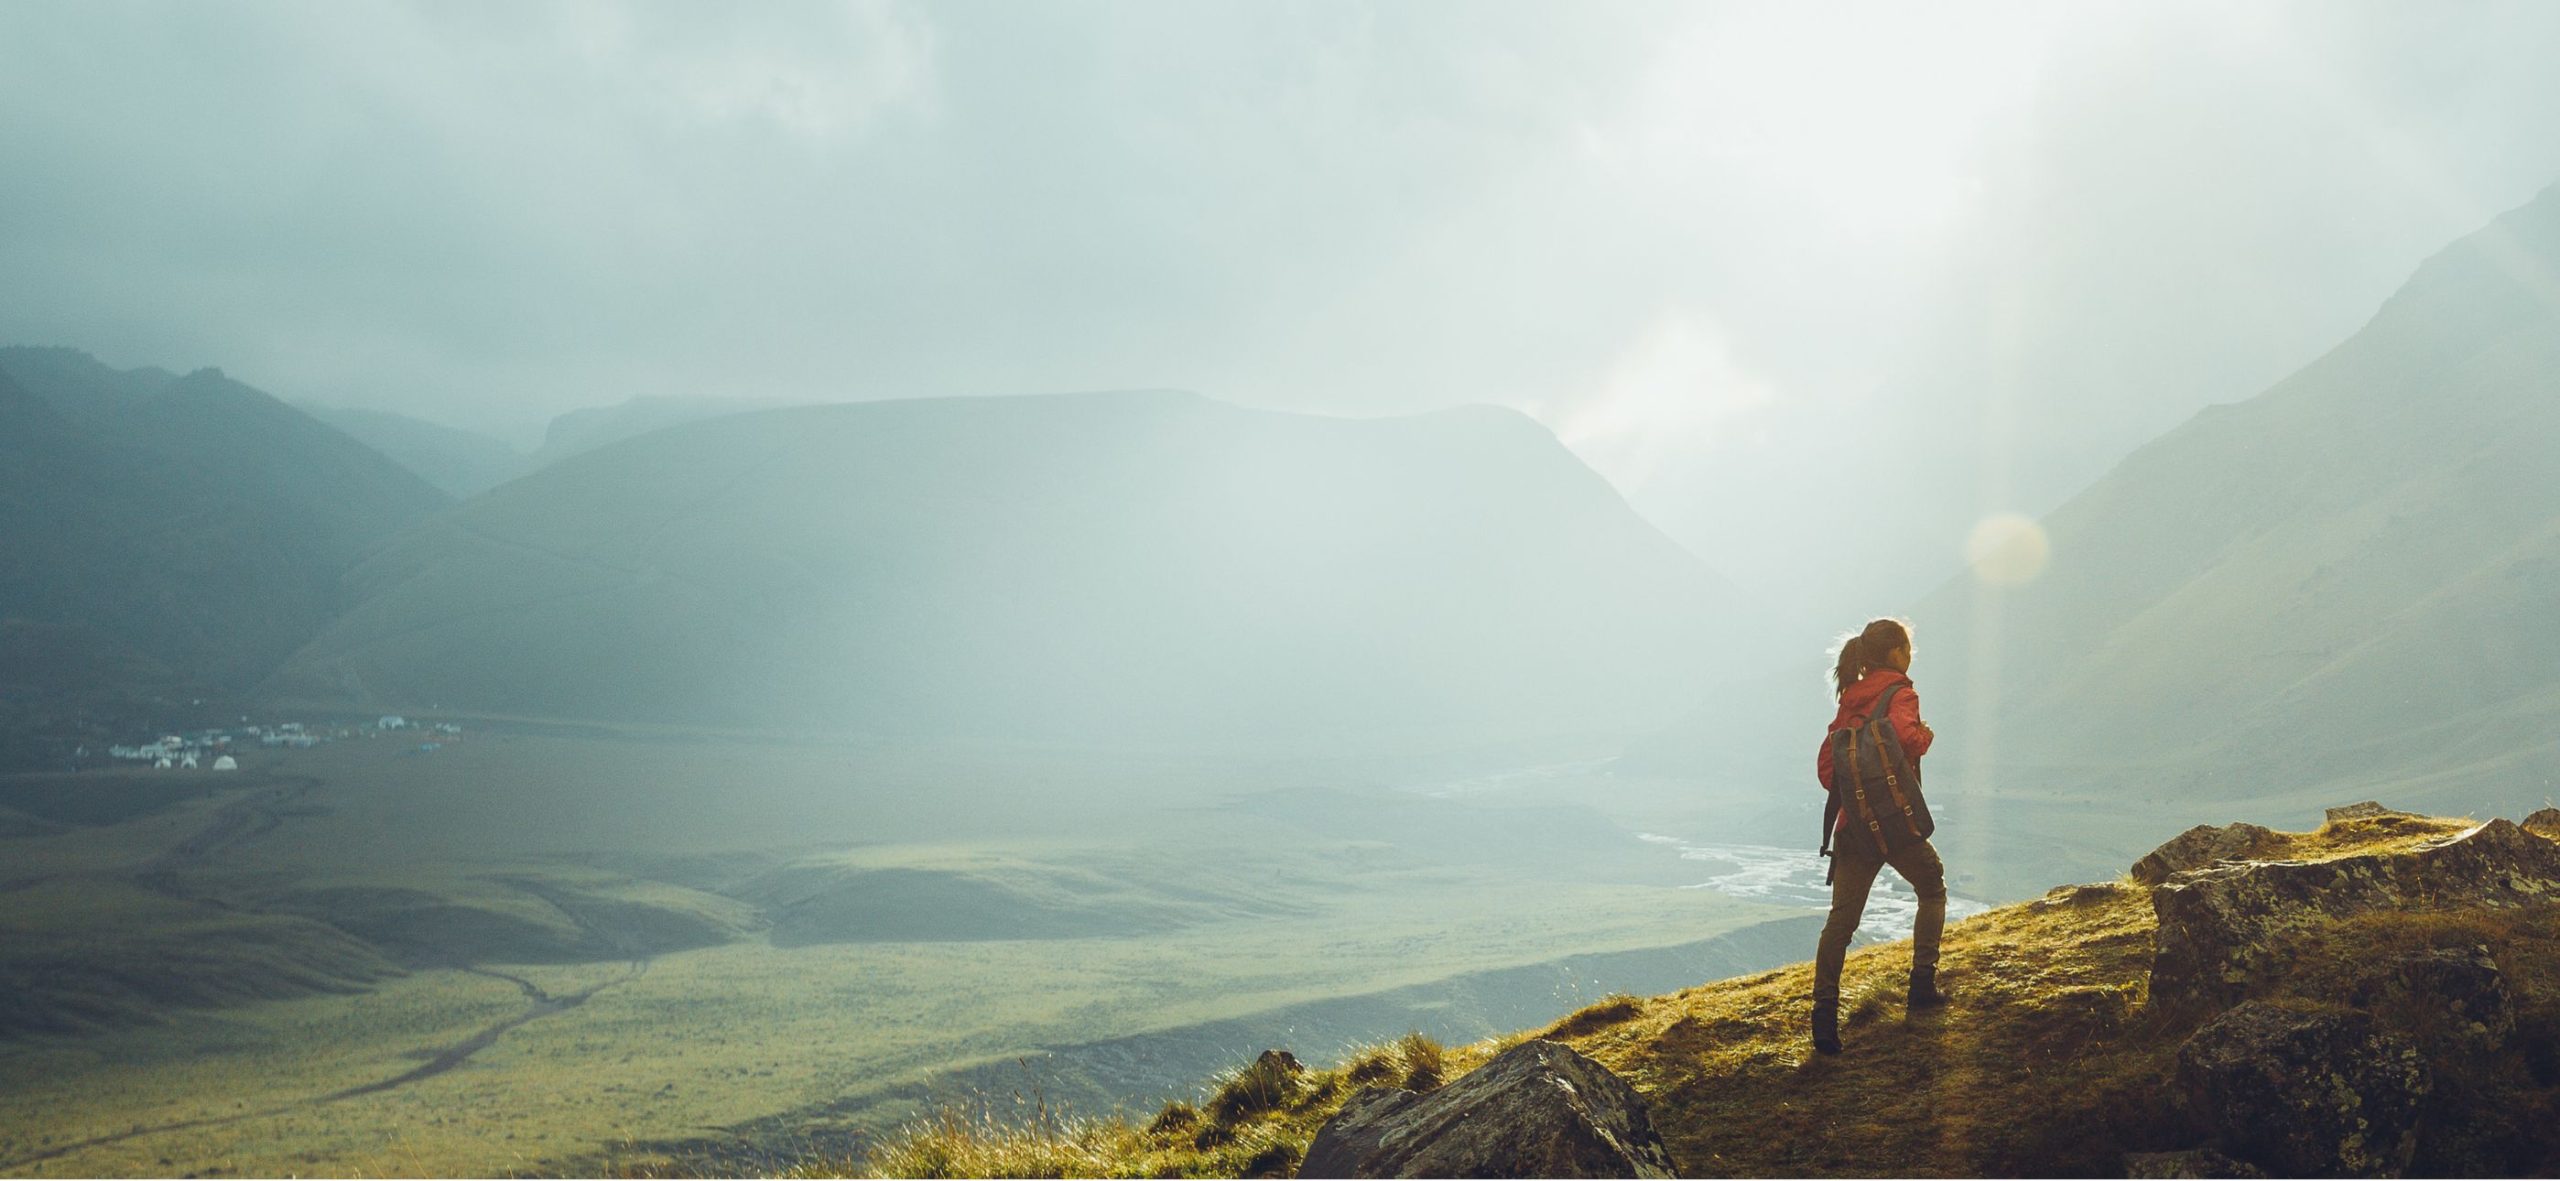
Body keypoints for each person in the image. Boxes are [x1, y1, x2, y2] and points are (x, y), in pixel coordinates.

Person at [1810, 616, 1948, 1056]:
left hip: (1853, 828)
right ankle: (1922, 986)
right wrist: (1924, 735)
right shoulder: (1901, 693)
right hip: (1896, 822)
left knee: (1841, 923)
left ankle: (1824, 1017)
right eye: (1908, 649)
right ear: (1895, 653)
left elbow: (1827, 770)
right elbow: (1908, 737)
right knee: (1932, 887)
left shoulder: (1850, 699)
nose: (1910, 656)